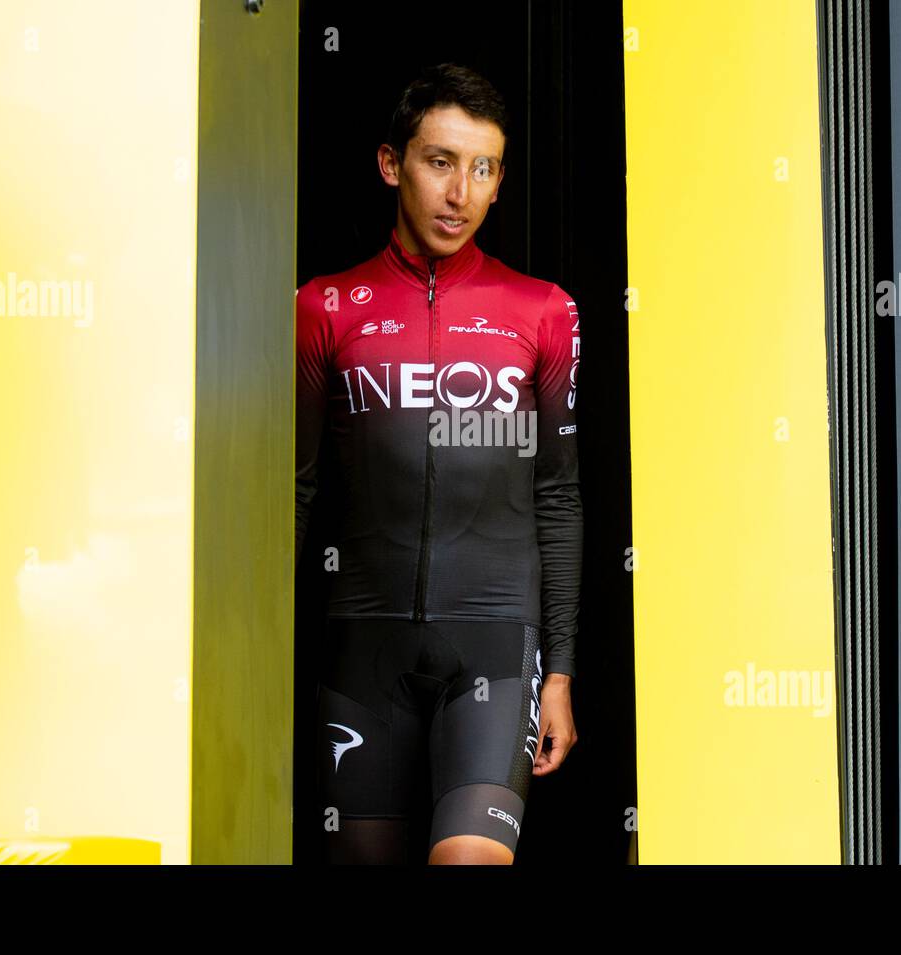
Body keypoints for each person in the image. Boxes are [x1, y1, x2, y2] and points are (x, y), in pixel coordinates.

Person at [295, 63, 582, 865]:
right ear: (393, 164)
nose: (461, 192)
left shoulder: (543, 311)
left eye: (484, 168)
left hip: (494, 648)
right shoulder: (320, 308)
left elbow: (559, 495)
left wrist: (557, 672)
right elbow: (294, 490)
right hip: (361, 652)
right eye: (441, 162)